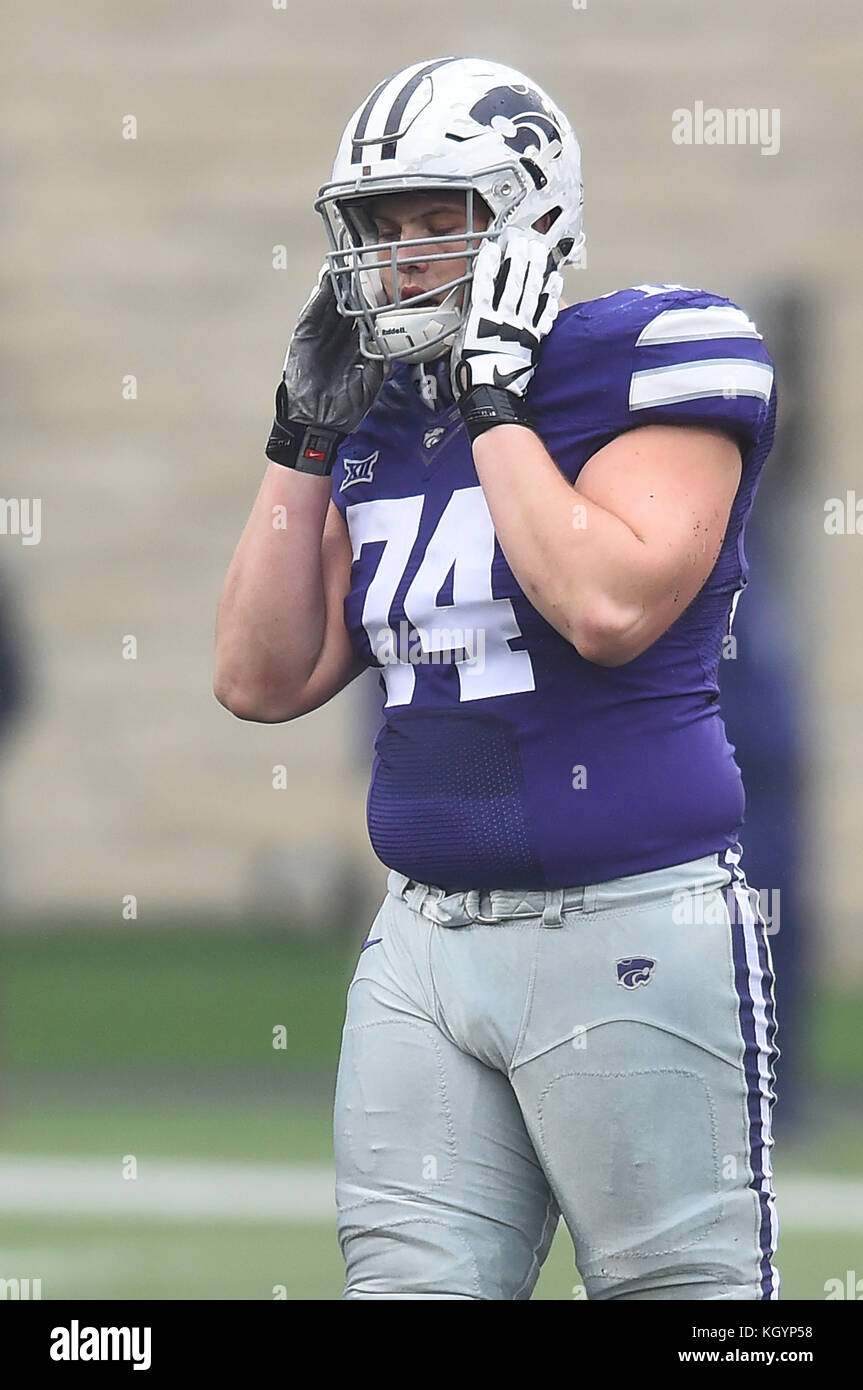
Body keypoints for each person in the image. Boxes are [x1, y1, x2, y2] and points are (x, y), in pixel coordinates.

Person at [214, 57, 779, 1301]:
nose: (401, 256)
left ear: (531, 218)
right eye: (378, 227)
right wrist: (301, 439)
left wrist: (493, 407)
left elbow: (605, 604)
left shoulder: (663, 348)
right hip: (420, 935)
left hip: (625, 922)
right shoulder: (376, 414)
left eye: (436, 221)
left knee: (681, 1297)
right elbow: (258, 677)